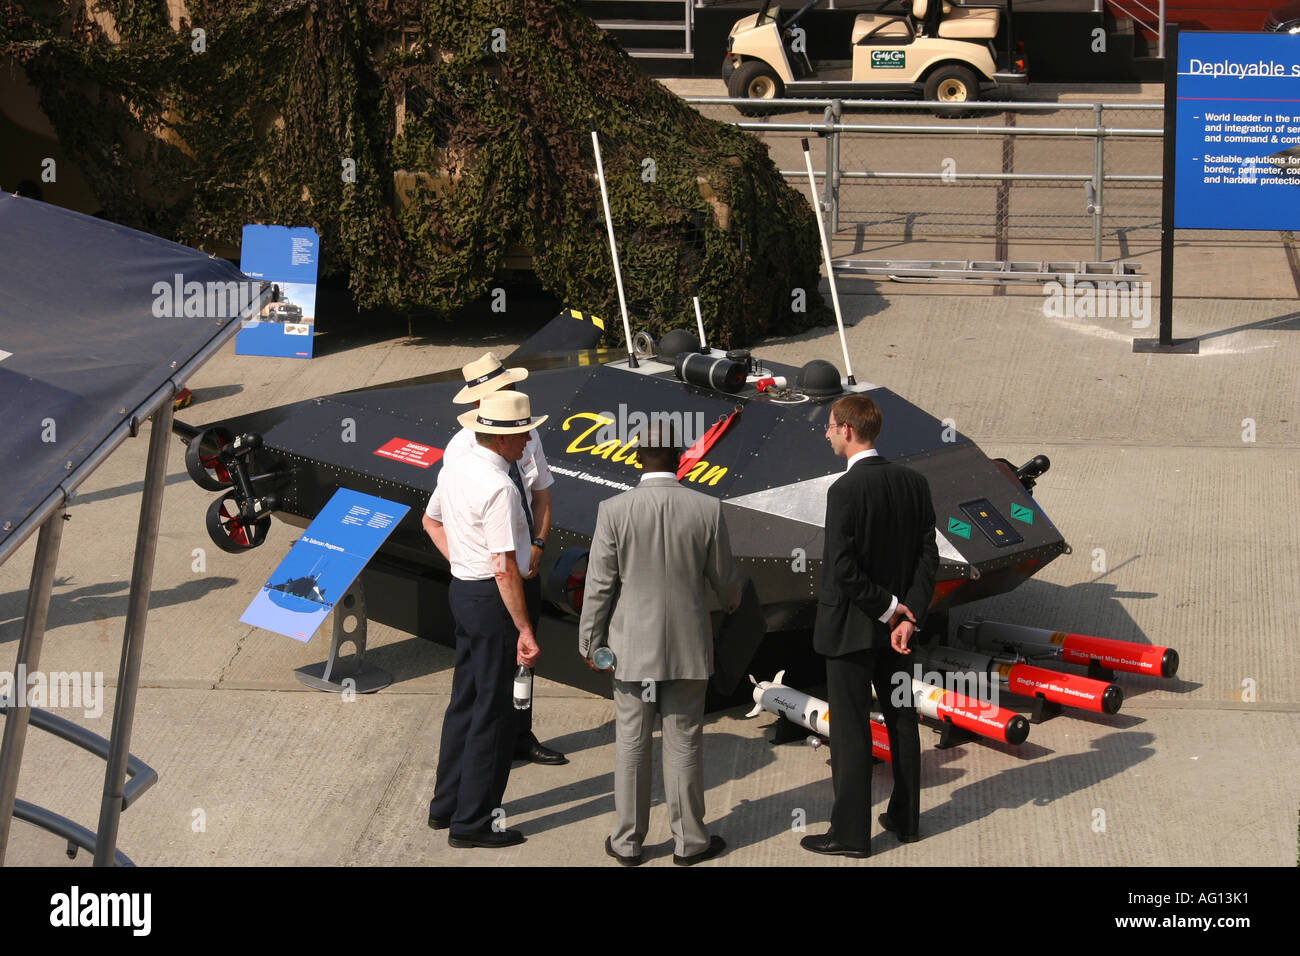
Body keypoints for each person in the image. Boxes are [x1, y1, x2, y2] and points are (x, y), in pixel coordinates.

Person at [578, 428, 742, 866]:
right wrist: (730, 602)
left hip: (632, 650)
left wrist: (590, 643)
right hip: (688, 648)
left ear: (637, 459)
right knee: (684, 741)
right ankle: (690, 842)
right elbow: (726, 582)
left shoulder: (613, 510)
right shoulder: (706, 509)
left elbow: (599, 585)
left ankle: (628, 842)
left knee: (631, 743)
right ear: (680, 459)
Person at [801, 393, 938, 858]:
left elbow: (842, 567)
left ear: (847, 430)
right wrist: (908, 614)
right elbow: (928, 557)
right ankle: (906, 819)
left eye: (830, 425)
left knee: (852, 730)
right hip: (898, 634)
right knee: (902, 720)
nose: (825, 433)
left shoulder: (844, 492)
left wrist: (890, 609)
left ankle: (850, 835)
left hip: (851, 631)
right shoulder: (914, 483)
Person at [422, 390, 545, 848]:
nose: (529, 439)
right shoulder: (499, 487)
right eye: (522, 433)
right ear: (500, 439)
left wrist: (462, 564)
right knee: (495, 714)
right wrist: (525, 629)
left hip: (463, 592)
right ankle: (472, 823)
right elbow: (503, 566)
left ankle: (445, 805)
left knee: (465, 700)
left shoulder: (457, 466)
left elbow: (430, 521)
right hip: (493, 602)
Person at [444, 352, 567, 766]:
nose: (514, 395)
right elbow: (438, 520)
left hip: (521, 567)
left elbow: (543, 494)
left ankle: (520, 734)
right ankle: (487, 754)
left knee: (526, 657)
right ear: (482, 402)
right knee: (485, 679)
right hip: (492, 578)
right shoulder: (463, 452)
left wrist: (538, 544)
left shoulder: (523, 433)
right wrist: (466, 564)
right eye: (505, 390)